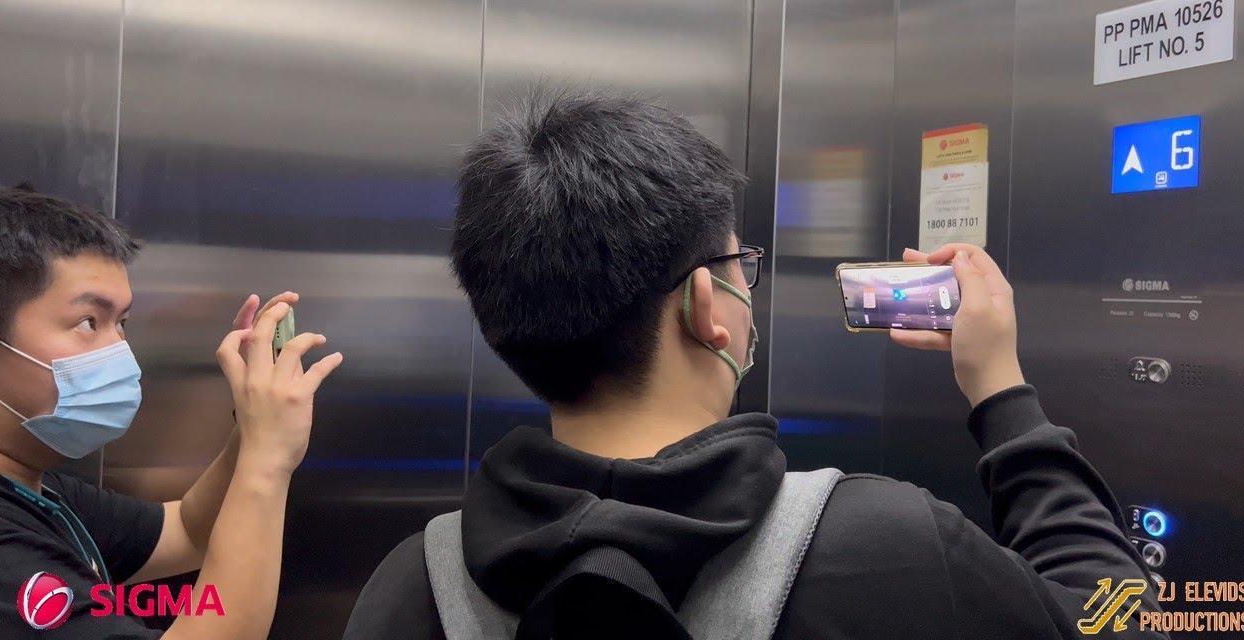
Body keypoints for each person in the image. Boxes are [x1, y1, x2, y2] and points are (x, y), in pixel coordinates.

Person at [343, 91, 1166, 640]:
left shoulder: (411, 586)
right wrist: (1003, 392)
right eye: (744, 266)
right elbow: (1117, 618)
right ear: (706, 306)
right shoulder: (891, 546)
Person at [0, 184, 343, 639]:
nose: (120, 351)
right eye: (87, 323)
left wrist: (250, 427)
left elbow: (188, 531)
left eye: (122, 323)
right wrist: (268, 458)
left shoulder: (37, 492)